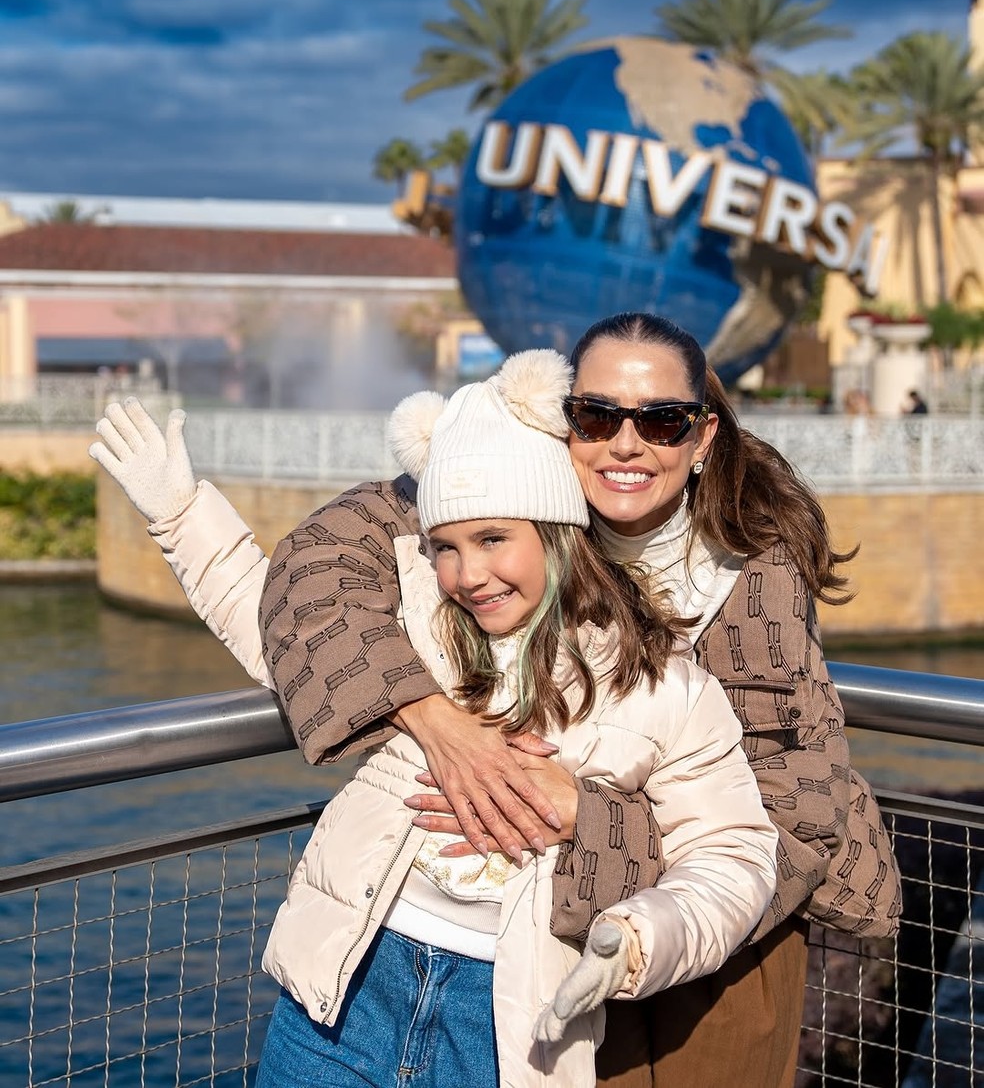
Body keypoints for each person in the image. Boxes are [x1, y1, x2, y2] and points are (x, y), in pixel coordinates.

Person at [91, 312, 901, 1088]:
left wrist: (585, 826)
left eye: (661, 420)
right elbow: (284, 614)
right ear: (560, 425)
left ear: (701, 434)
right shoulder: (439, 610)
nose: (626, 441)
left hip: (575, 987)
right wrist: (182, 513)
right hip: (353, 981)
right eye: (596, 415)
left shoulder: (694, 648)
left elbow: (759, 837)